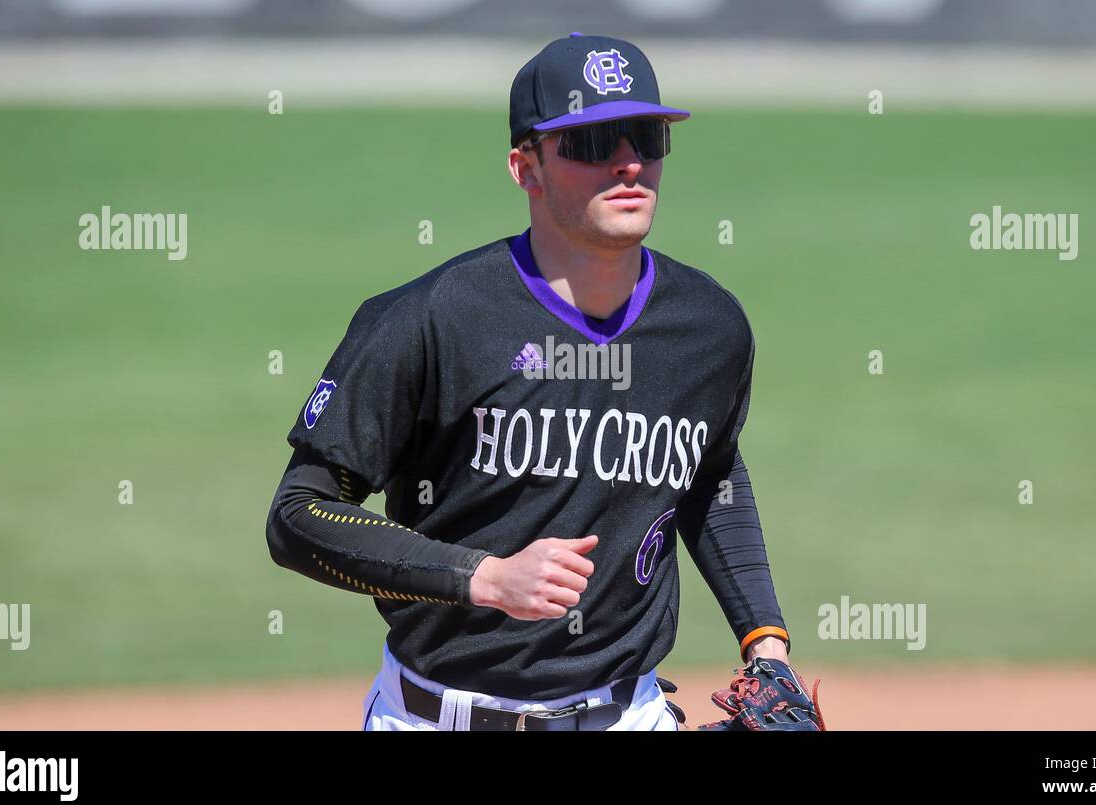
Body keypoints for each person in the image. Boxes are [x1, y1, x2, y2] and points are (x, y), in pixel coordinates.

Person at [265, 32, 816, 731]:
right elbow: (299, 515)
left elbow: (710, 473)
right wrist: (484, 576)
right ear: (525, 167)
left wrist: (764, 640)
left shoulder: (708, 329)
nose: (628, 163)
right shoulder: (431, 320)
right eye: (592, 142)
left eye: (646, 137)